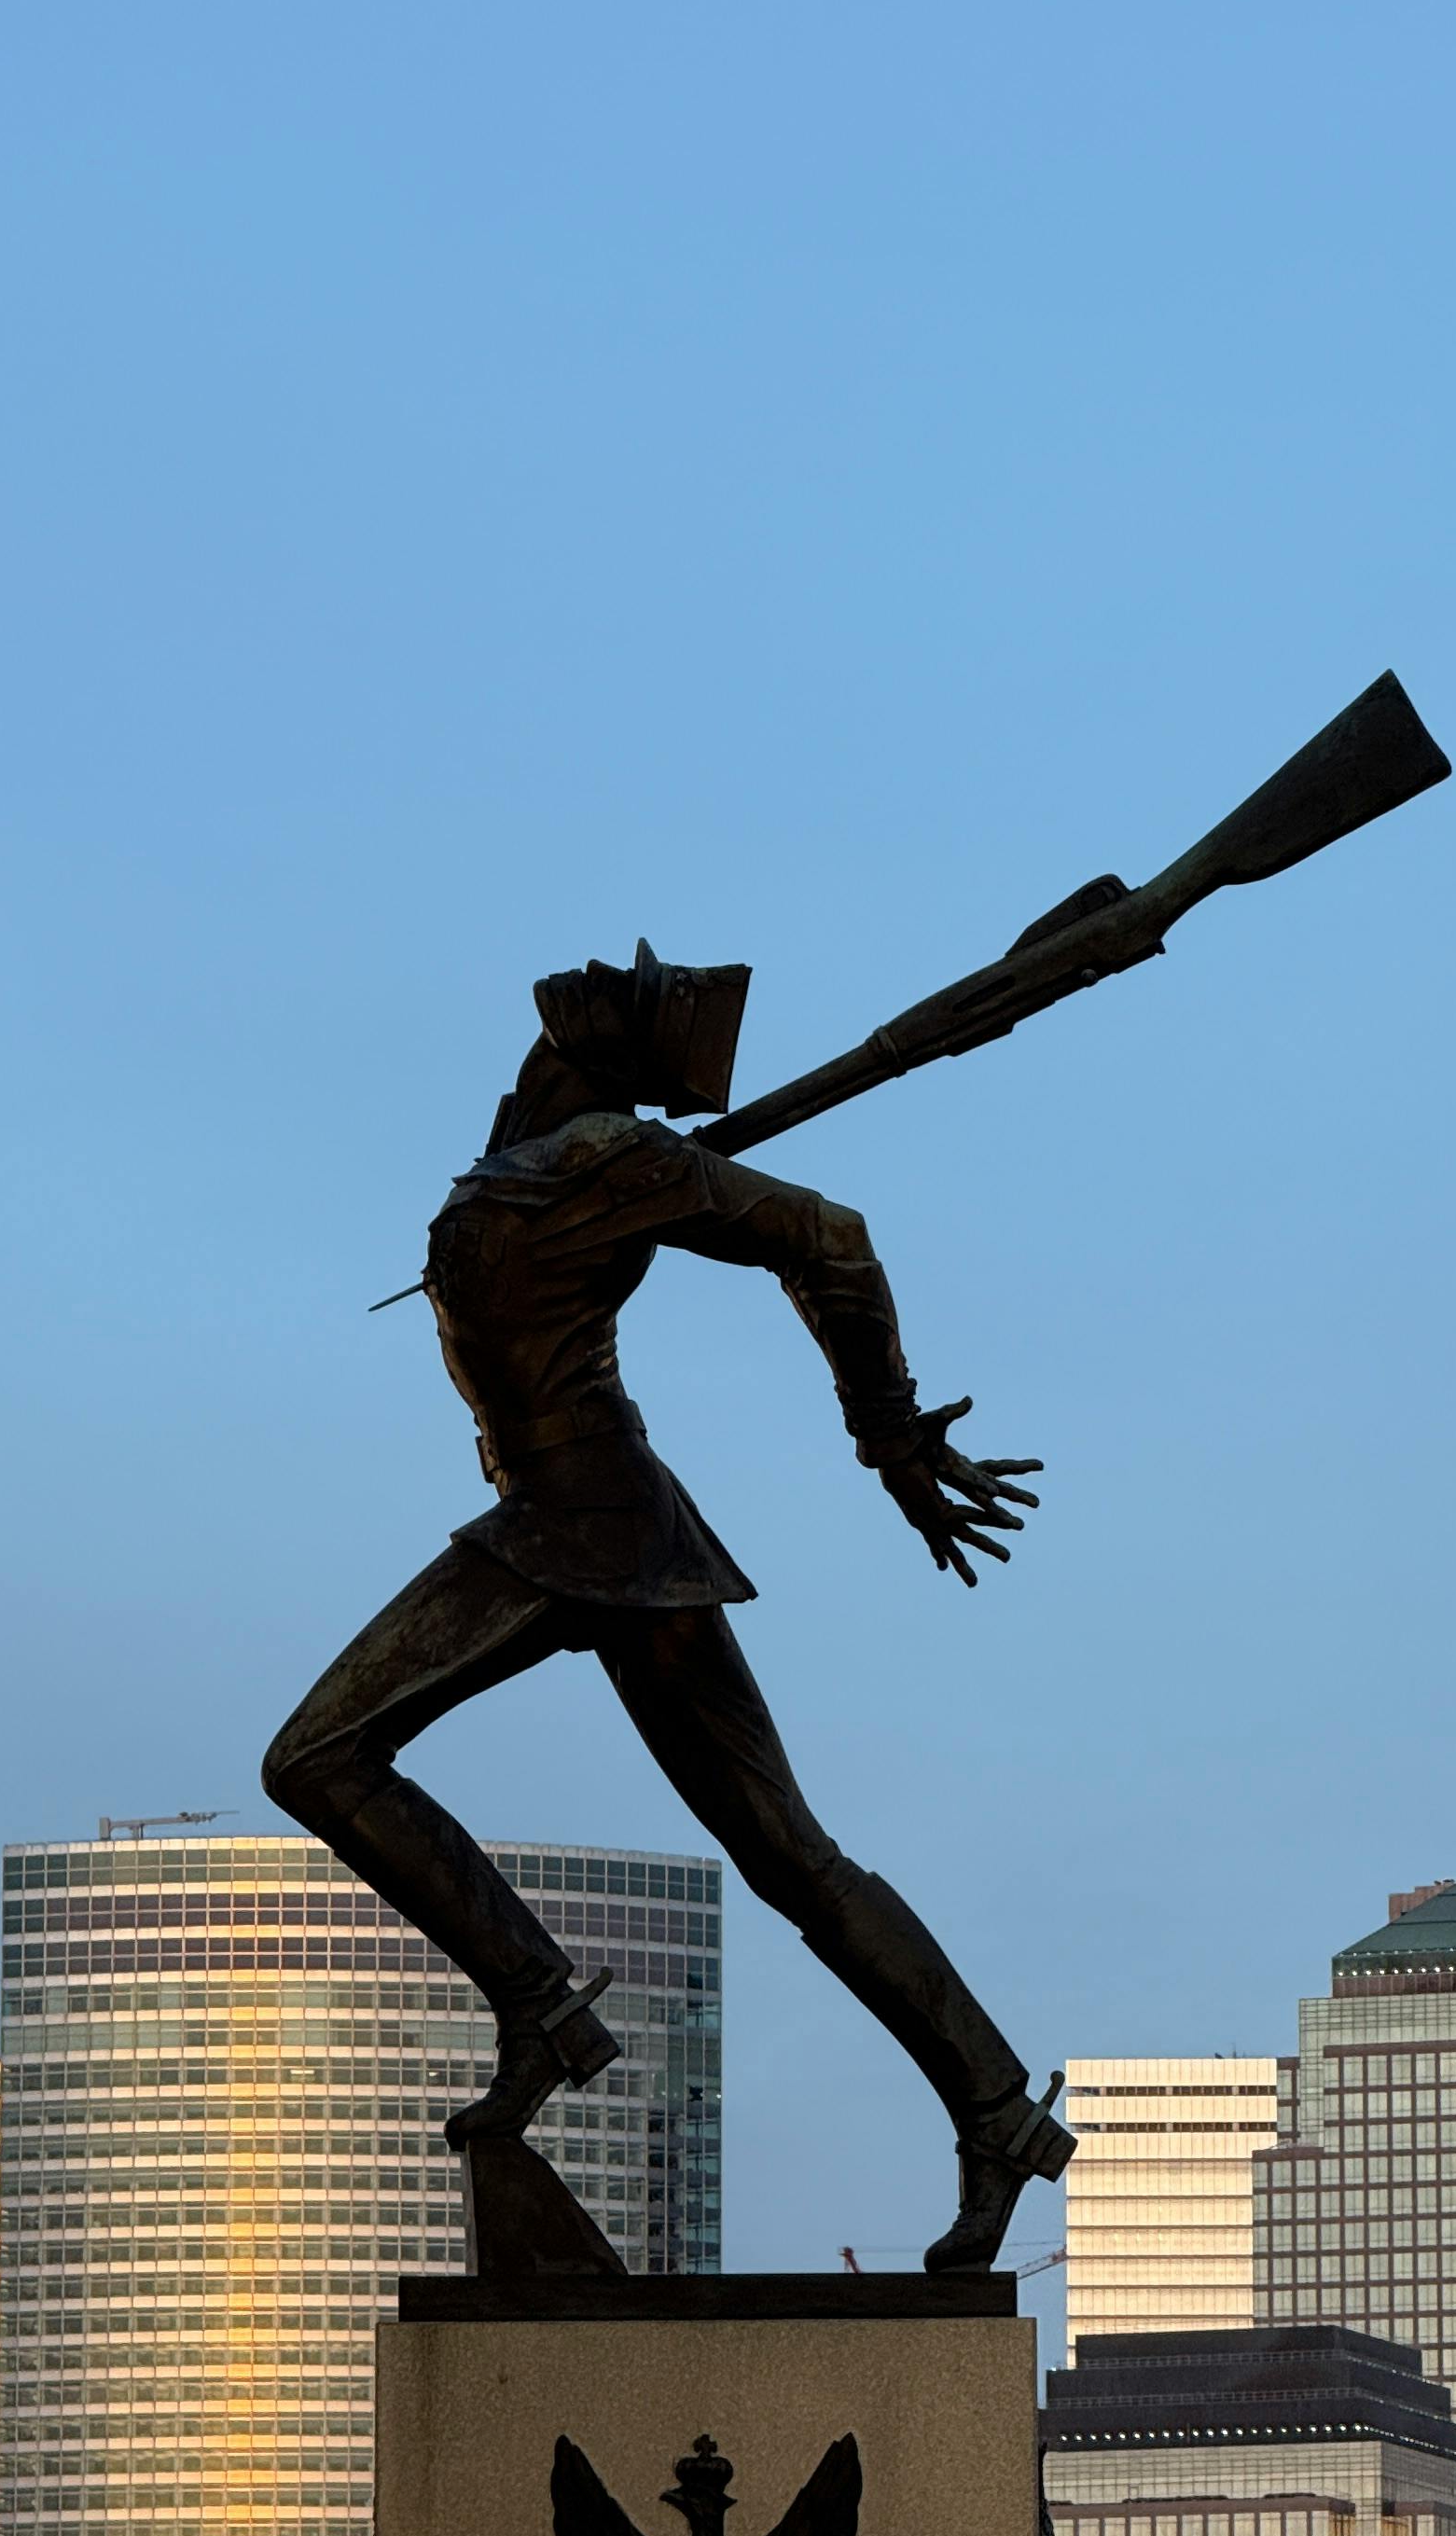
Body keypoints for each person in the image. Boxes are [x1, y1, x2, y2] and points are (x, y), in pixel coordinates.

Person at [263, 939, 1076, 2273]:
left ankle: (552, 2009)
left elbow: (834, 1241)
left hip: (592, 1526)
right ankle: (981, 2100)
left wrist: (893, 1439)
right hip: (564, 1523)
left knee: (325, 1758)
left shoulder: (617, 1163)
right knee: (786, 1856)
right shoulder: (540, 1156)